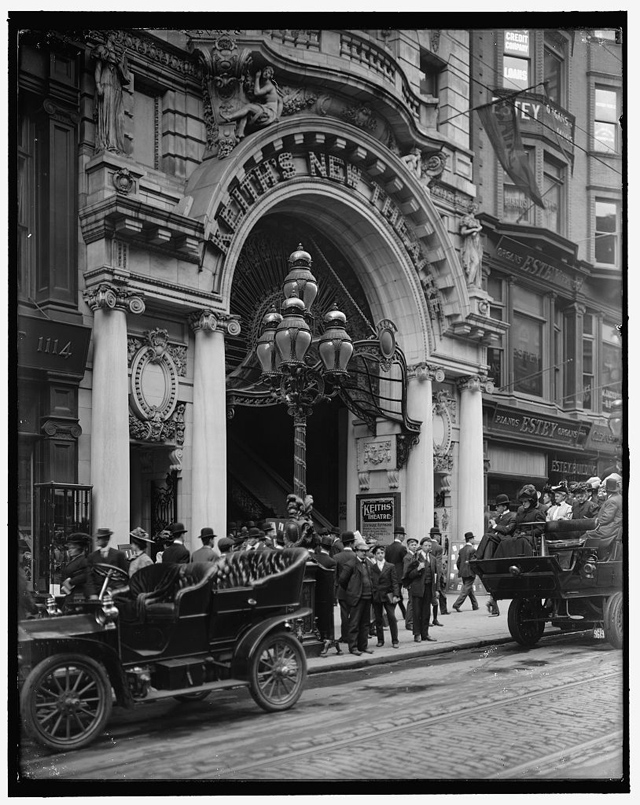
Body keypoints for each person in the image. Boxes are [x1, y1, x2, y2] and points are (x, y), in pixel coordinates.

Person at [92, 35, 130, 153]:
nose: (116, 37)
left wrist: (119, 65)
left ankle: (116, 145)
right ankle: (107, 143)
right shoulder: (102, 50)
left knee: (117, 116)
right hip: (106, 82)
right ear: (109, 36)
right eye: (114, 35)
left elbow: (126, 78)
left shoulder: (120, 55)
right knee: (108, 113)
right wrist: (98, 85)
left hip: (117, 86)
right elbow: (98, 68)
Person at [221, 65, 282, 139]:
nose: (266, 73)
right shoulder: (266, 85)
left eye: (268, 73)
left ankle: (229, 117)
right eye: (265, 71)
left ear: (270, 76)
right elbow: (280, 101)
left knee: (249, 107)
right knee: (246, 113)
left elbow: (257, 92)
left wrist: (257, 78)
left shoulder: (269, 86)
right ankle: (240, 133)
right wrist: (278, 116)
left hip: (269, 112)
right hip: (266, 109)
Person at [339, 541, 375, 655]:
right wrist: (352, 591)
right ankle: (353, 647)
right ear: (356, 552)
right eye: (362, 551)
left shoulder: (368, 563)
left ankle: (363, 646)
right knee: (354, 623)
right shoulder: (351, 564)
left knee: (365, 624)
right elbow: (342, 580)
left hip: (367, 596)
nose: (364, 553)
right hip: (357, 597)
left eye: (366, 551)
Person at [494, 485, 546, 558]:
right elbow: (517, 525)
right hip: (520, 535)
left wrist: (526, 533)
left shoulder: (538, 513)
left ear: (531, 501)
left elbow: (540, 530)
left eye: (525, 501)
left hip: (532, 537)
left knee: (521, 541)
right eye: (522, 502)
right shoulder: (520, 511)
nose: (523, 504)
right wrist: (517, 533)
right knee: (505, 541)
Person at [404, 537, 438, 642]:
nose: (428, 547)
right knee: (417, 612)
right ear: (422, 546)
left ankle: (425, 633)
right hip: (418, 588)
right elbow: (408, 574)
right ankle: (417, 634)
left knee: (426, 612)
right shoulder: (415, 558)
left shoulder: (433, 559)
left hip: (428, 587)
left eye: (429, 546)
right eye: (426, 545)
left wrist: (436, 589)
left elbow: (436, 575)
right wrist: (418, 569)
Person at [583, 476, 623, 562]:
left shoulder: (612, 500)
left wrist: (595, 522)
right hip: (614, 527)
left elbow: (606, 518)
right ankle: (598, 556)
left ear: (607, 490)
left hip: (610, 529)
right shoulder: (619, 497)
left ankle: (591, 558)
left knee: (587, 535)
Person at [370, 544, 401, 648]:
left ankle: (395, 640)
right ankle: (380, 640)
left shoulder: (390, 566)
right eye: (378, 553)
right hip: (377, 596)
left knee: (391, 617)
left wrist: (396, 594)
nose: (380, 555)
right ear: (374, 555)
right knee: (378, 619)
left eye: (382, 553)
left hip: (388, 595)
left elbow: (395, 581)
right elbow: (371, 581)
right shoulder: (372, 567)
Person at [333, 531, 357, 643]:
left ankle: (345, 636)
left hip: (342, 590)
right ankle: (353, 636)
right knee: (354, 614)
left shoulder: (336, 557)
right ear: (352, 543)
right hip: (355, 590)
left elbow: (335, 577)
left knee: (344, 614)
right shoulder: (356, 557)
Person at [61, 533, 96, 604]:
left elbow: (86, 574)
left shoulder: (84, 560)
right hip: (72, 593)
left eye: (73, 548)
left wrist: (71, 581)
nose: (70, 550)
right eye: (69, 548)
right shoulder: (74, 560)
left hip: (79, 594)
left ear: (80, 549)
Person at [452, 532, 479, 612]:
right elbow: (474, 562)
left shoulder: (462, 550)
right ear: (470, 539)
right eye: (473, 538)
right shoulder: (473, 550)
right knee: (466, 589)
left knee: (469, 589)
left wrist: (461, 569)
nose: (474, 540)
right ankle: (456, 604)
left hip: (463, 572)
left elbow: (458, 562)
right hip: (470, 572)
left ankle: (475, 605)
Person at [385, 526, 408, 620]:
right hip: (398, 575)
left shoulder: (389, 547)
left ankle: (404, 613)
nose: (404, 538)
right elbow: (405, 562)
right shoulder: (402, 548)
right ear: (400, 536)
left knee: (398, 595)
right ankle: (390, 617)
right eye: (403, 535)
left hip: (390, 574)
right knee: (396, 595)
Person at [459, 204, 483, 287]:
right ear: (471, 209)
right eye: (475, 208)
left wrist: (477, 229)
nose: (476, 210)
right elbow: (463, 232)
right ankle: (469, 282)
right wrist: (474, 229)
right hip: (470, 243)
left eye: (476, 208)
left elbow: (480, 228)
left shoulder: (476, 221)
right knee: (475, 261)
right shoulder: (466, 218)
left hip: (476, 243)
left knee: (477, 262)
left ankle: (472, 282)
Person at [401, 536, 419, 631]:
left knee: (414, 603)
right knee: (411, 603)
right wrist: (407, 582)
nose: (414, 546)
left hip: (416, 583)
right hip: (411, 583)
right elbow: (406, 571)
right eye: (412, 545)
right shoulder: (407, 557)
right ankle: (409, 623)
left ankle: (413, 621)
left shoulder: (415, 556)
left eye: (415, 545)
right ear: (408, 546)